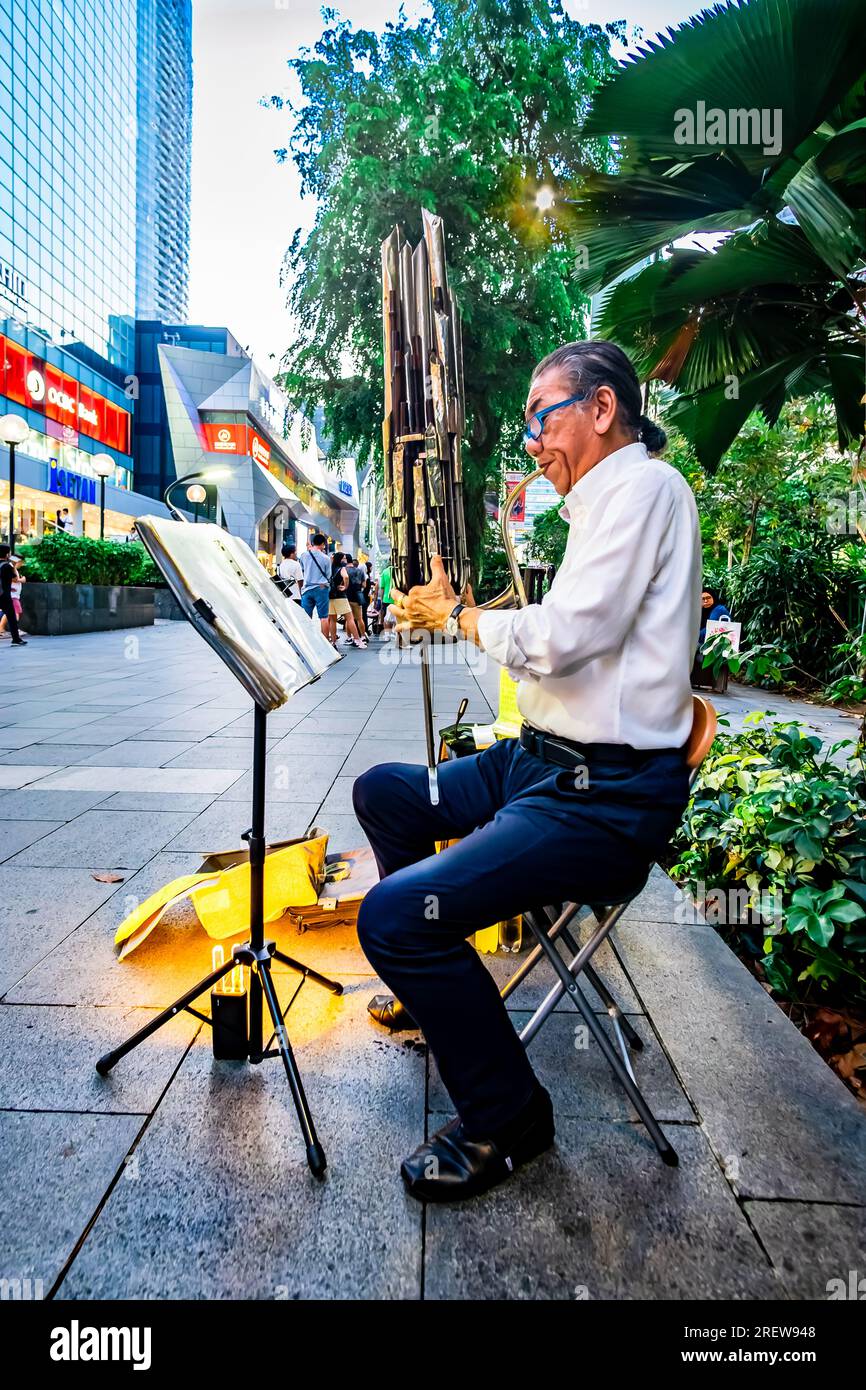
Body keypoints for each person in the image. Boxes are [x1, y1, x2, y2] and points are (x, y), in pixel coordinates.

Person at [352, 339, 701, 1203]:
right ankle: (439, 993)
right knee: (385, 794)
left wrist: (463, 617)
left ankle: (509, 1121)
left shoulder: (647, 490)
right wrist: (463, 615)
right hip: (539, 765)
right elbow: (564, 636)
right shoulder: (600, 503)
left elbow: (567, 636)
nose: (535, 440)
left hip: (603, 799)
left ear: (602, 408)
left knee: (396, 916)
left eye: (543, 416)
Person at [329, 552, 366, 648]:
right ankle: (358, 640)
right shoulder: (342, 568)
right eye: (344, 558)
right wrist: (345, 586)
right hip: (341, 596)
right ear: (340, 559)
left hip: (330, 596)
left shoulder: (330, 568)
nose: (345, 560)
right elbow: (345, 577)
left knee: (332, 620)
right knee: (350, 618)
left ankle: (333, 642)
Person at [299, 533, 332, 637]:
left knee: (305, 618)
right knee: (323, 617)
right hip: (321, 588)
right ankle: (326, 643)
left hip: (307, 589)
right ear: (322, 544)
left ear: (313, 543)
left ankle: (305, 641)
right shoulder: (326, 558)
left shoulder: (304, 555)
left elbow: (302, 570)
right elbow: (328, 575)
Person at [0, 544, 26, 645]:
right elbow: (15, 579)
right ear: (7, 554)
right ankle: (16, 639)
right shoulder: (6, 566)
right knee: (11, 617)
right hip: (4, 596)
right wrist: (13, 566)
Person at [346, 555, 368, 641]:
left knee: (348, 619)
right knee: (359, 618)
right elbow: (364, 585)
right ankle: (362, 636)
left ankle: (349, 637)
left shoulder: (344, 570)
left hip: (346, 597)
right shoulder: (360, 571)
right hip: (357, 597)